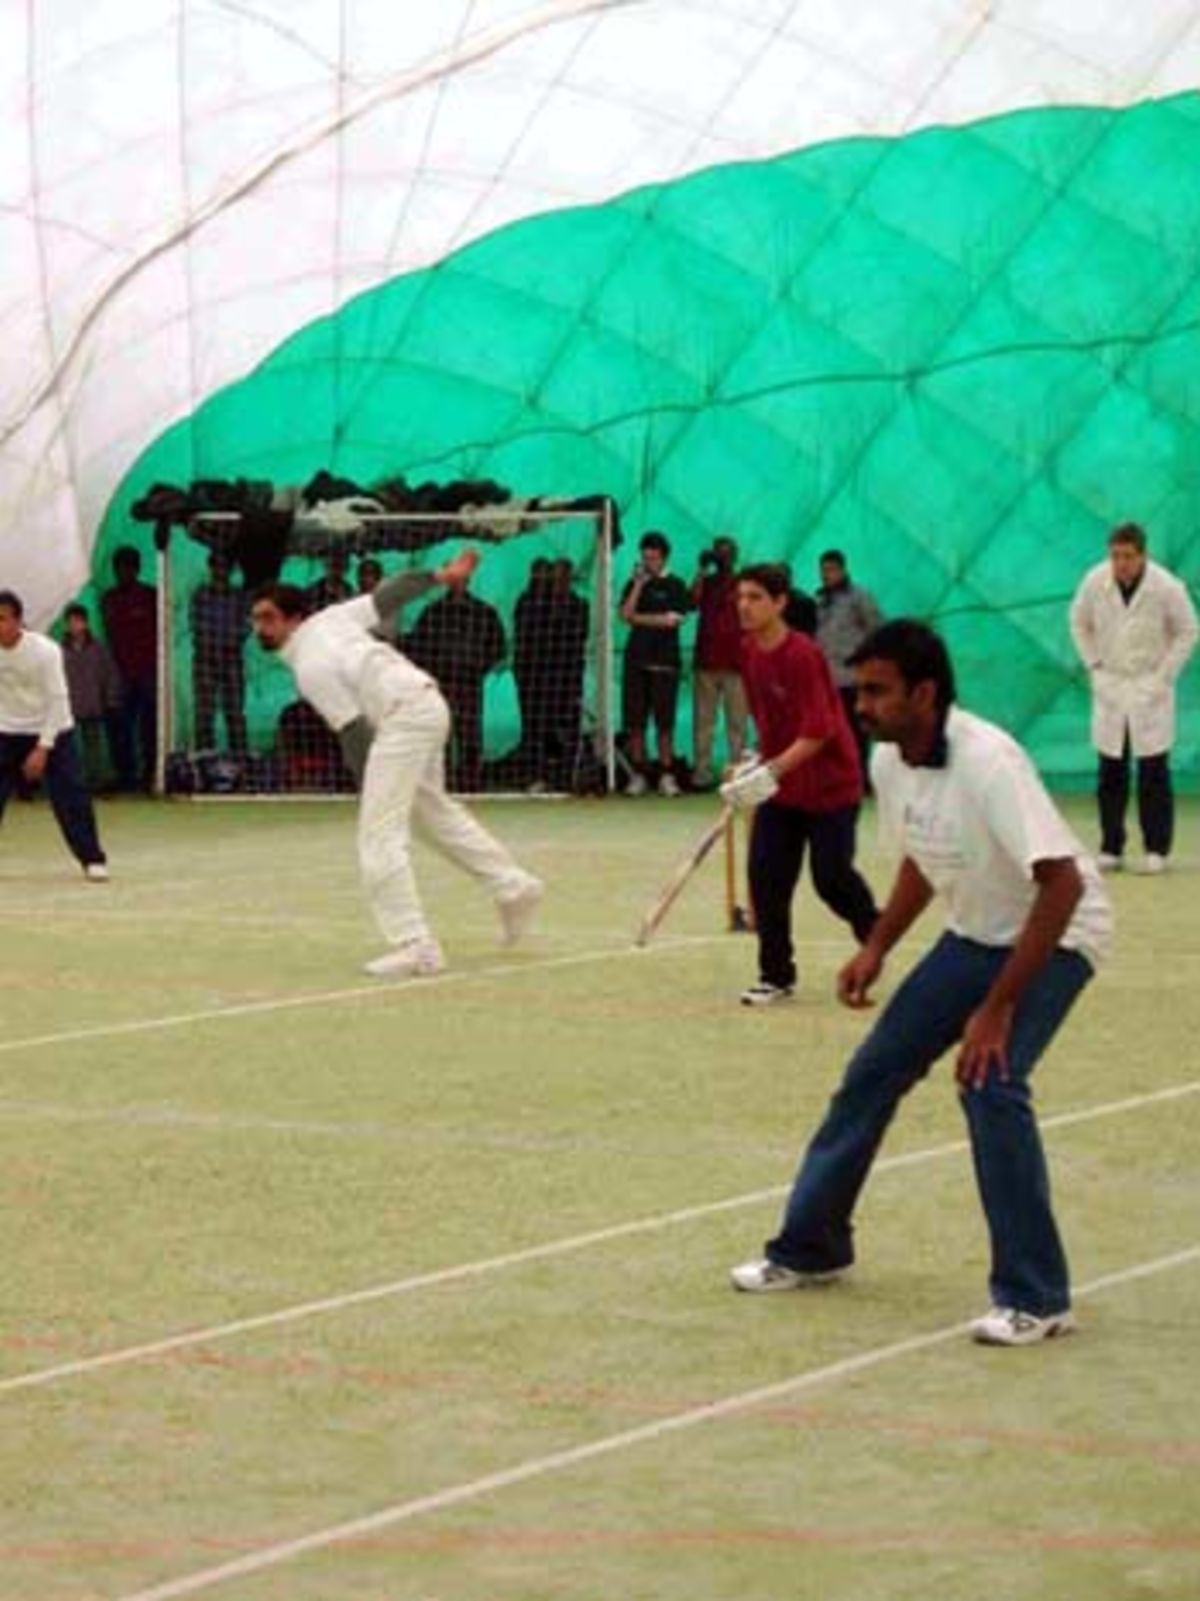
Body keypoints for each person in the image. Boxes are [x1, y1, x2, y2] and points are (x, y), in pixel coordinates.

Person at [730, 619, 1113, 1347]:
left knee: (990, 1082)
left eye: (877, 691)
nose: (862, 704)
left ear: (925, 693)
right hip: (973, 933)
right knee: (872, 1072)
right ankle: (811, 1247)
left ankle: (1037, 1296)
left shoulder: (990, 761)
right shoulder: (890, 760)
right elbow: (921, 856)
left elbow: (1059, 883)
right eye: (860, 689)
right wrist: (876, 945)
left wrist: (997, 1009)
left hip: (1058, 933)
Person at [250, 549, 541, 977]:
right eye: (256, 619)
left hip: (405, 718)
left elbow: (353, 733)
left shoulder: (310, 664)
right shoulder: (333, 618)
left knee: (378, 835)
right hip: (426, 705)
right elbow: (390, 596)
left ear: (294, 619)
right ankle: (513, 886)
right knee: (431, 816)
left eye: (268, 618)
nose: (260, 627)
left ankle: (416, 944)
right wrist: (442, 575)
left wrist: (370, 790)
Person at [720, 564, 877, 1006]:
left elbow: (818, 731)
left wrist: (769, 773)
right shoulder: (748, 651)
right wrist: (753, 762)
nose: (744, 606)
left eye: (755, 598)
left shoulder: (803, 654)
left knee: (831, 878)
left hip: (830, 786)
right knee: (766, 876)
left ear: (780, 603)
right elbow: (771, 723)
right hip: (784, 788)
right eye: (741, 598)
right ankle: (775, 974)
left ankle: (876, 936)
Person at [1068, 522, 1197, 874]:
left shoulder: (1166, 586)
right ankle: (1111, 847)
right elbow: (1077, 622)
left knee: (1154, 772)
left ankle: (1157, 849)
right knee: (1111, 770)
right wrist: (1093, 665)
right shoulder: (1095, 581)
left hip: (1149, 688)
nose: (1120, 563)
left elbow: (1188, 629)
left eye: (1127, 556)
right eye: (1115, 556)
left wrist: (1164, 676)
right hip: (1111, 686)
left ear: (1142, 555)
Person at [0, 591, 109, 879]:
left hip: (53, 729)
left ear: (18, 621)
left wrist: (43, 747)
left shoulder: (45, 651)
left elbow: (58, 699)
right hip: (6, 731)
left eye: (2, 619)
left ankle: (92, 859)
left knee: (71, 795)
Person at [405, 567, 506, 791]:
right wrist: (431, 673)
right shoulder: (433, 612)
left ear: (468, 580)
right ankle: (442, 782)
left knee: (470, 733)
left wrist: (479, 667)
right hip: (442, 683)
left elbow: (498, 646)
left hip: (470, 683)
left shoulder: (484, 612)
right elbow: (417, 647)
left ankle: (471, 781)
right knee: (441, 734)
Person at [619, 531, 692, 795]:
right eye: (644, 557)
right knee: (636, 722)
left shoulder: (676, 585)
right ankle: (639, 774)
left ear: (664, 558)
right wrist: (639, 585)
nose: (648, 562)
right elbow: (625, 614)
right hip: (636, 662)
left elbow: (672, 620)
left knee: (664, 724)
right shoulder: (633, 583)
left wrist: (639, 618)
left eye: (653, 558)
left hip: (665, 664)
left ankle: (666, 774)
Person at [815, 548, 882, 785]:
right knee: (831, 732)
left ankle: (861, 778)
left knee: (857, 731)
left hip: (853, 678)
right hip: (828, 679)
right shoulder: (821, 601)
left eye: (831, 570)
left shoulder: (859, 597)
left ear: (843, 570)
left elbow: (876, 629)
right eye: (823, 570)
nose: (826, 575)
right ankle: (838, 777)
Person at [690, 535, 748, 790]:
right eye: (719, 553)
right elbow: (691, 601)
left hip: (736, 661)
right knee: (704, 721)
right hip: (707, 661)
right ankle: (702, 771)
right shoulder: (708, 582)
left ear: (734, 556)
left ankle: (737, 771)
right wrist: (702, 570)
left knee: (737, 722)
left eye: (727, 554)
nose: (723, 558)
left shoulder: (743, 585)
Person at [100, 543, 157, 790]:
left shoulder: (151, 596)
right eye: (119, 568)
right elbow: (110, 635)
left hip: (147, 672)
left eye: (127, 568)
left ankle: (150, 774)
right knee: (118, 725)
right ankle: (125, 775)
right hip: (120, 673)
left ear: (137, 569)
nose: (123, 573)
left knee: (149, 726)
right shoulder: (109, 599)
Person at [189, 552, 249, 759]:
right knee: (205, 712)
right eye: (217, 566)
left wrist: (230, 643)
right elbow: (197, 626)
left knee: (234, 711)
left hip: (231, 657)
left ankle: (240, 760)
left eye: (225, 566)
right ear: (211, 568)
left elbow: (246, 626)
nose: (220, 571)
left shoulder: (239, 597)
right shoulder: (201, 595)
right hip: (206, 657)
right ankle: (206, 760)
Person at [60, 602, 121, 791]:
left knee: (93, 747)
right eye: (70, 622)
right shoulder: (58, 650)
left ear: (85, 623)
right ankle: (71, 782)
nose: (74, 626)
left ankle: (97, 781)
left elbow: (110, 674)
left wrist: (111, 699)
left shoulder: (99, 649)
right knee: (68, 748)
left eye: (78, 621)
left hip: (92, 705)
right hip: (67, 707)